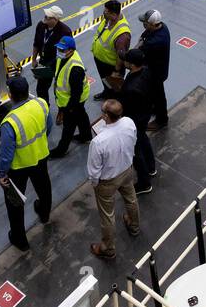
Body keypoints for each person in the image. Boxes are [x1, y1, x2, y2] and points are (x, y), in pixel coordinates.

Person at [0, 76, 53, 252]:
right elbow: (48, 127)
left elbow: (6, 154)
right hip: (40, 156)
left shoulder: (10, 122)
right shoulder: (41, 104)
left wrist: (2, 174)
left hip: (18, 168)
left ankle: (20, 239)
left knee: (14, 203)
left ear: (10, 95)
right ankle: (44, 214)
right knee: (44, 187)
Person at [87, 98, 140, 260]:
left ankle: (108, 248)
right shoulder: (129, 123)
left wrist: (96, 185)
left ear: (105, 116)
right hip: (127, 170)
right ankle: (134, 225)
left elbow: (94, 171)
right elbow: (134, 141)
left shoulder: (98, 142)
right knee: (131, 199)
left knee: (107, 215)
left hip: (107, 182)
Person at [48, 35, 93, 157]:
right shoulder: (63, 57)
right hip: (70, 99)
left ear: (71, 51)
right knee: (82, 115)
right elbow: (55, 64)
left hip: (73, 101)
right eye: (59, 49)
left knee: (68, 126)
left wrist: (70, 108)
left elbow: (76, 93)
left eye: (62, 50)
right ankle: (86, 135)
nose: (59, 51)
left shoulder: (75, 69)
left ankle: (61, 150)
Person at [119, 48, 155, 194]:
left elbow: (126, 107)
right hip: (144, 115)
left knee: (135, 153)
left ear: (132, 65)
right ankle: (151, 167)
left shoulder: (132, 88)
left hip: (134, 121)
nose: (124, 61)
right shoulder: (146, 71)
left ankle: (144, 183)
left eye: (126, 60)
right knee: (144, 140)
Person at [90, 0, 132, 99]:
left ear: (113, 14)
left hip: (111, 66)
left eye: (106, 12)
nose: (104, 13)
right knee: (105, 81)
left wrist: (116, 71)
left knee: (114, 87)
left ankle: (113, 102)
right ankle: (106, 92)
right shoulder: (109, 19)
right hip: (101, 61)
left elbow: (120, 56)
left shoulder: (122, 34)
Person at [138, 9, 172, 131]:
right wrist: (143, 38)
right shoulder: (162, 27)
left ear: (152, 24)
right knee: (155, 94)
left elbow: (139, 52)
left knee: (158, 96)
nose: (143, 25)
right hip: (158, 68)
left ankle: (162, 120)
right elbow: (146, 34)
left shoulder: (156, 42)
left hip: (156, 73)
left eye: (145, 23)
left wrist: (126, 55)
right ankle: (155, 109)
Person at [31, 5, 73, 101]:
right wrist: (33, 59)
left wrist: (53, 66)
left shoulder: (65, 32)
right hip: (44, 62)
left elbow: (68, 52)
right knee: (41, 89)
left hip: (58, 63)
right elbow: (36, 43)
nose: (44, 18)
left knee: (59, 89)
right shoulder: (41, 25)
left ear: (56, 19)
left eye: (47, 17)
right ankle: (45, 108)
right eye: (45, 15)